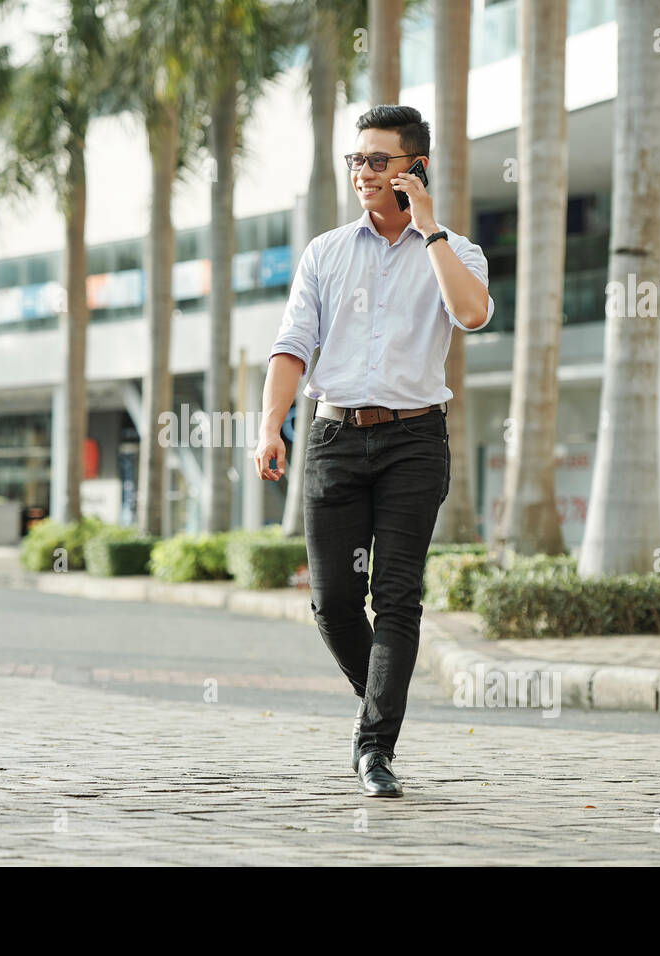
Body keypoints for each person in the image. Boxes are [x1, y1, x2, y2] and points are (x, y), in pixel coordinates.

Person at [253, 105, 494, 797]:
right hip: (331, 437)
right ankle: (383, 703)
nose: (363, 172)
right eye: (356, 160)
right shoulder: (326, 252)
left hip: (415, 440)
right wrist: (271, 425)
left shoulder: (455, 251)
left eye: (378, 160)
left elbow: (471, 314)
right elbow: (292, 345)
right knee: (332, 603)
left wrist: (429, 231)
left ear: (413, 168)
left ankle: (374, 748)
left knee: (395, 597)